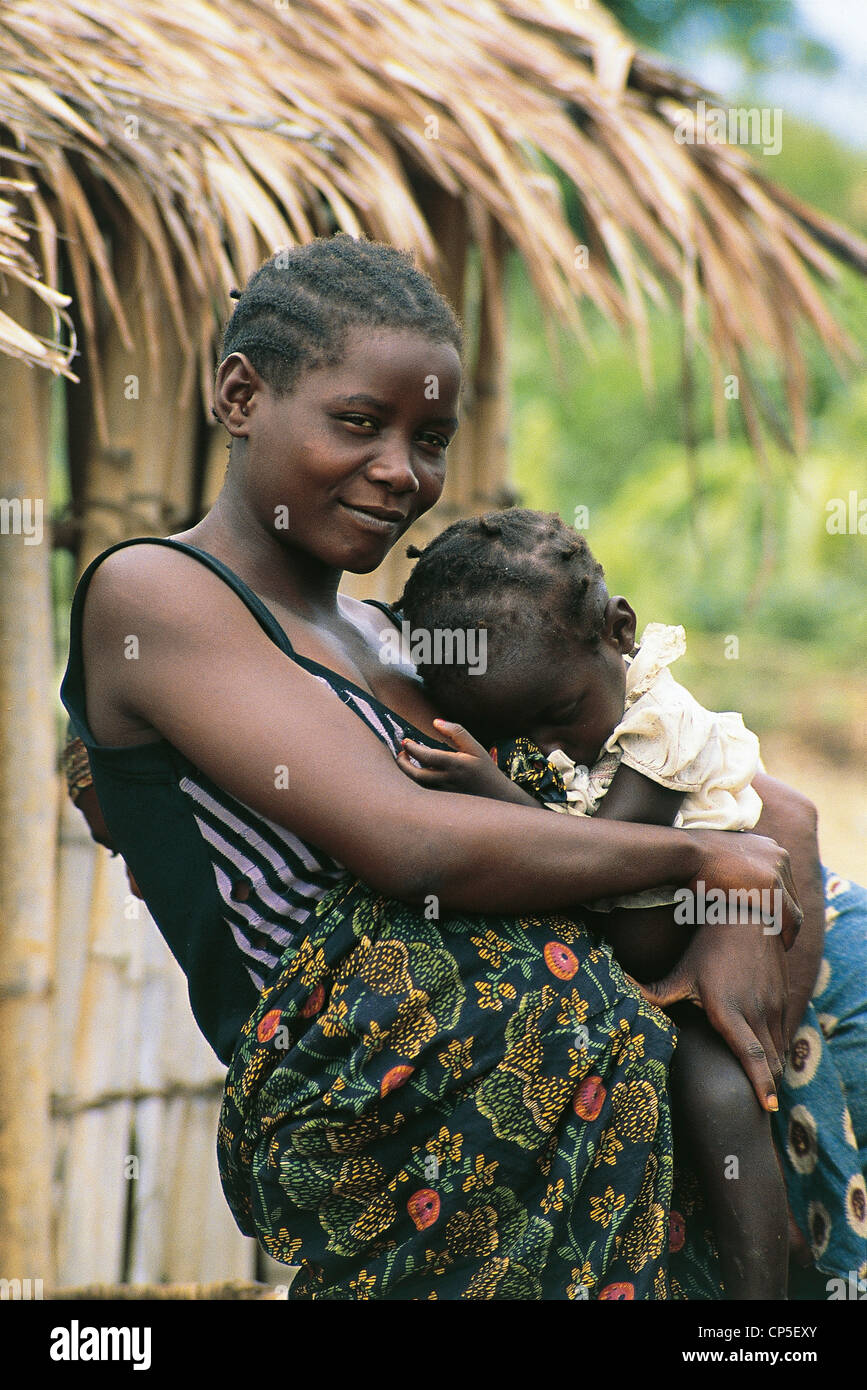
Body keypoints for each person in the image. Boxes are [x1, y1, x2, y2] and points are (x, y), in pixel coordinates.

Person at [61, 235, 807, 1301]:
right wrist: (697, 857)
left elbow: (672, 783)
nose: (401, 472)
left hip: (604, 1098)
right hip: (388, 1126)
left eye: (431, 440)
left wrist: (730, 904)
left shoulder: (402, 638)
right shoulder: (159, 595)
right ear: (240, 393)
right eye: (359, 423)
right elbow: (408, 845)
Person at [395, 506, 867, 1295]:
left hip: (746, 944)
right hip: (667, 960)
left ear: (619, 629)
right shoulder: (550, 692)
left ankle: (763, 1293)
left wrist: (490, 791)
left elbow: (609, 855)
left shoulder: (659, 723)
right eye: (518, 735)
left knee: (727, 1092)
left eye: (559, 718)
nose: (551, 751)